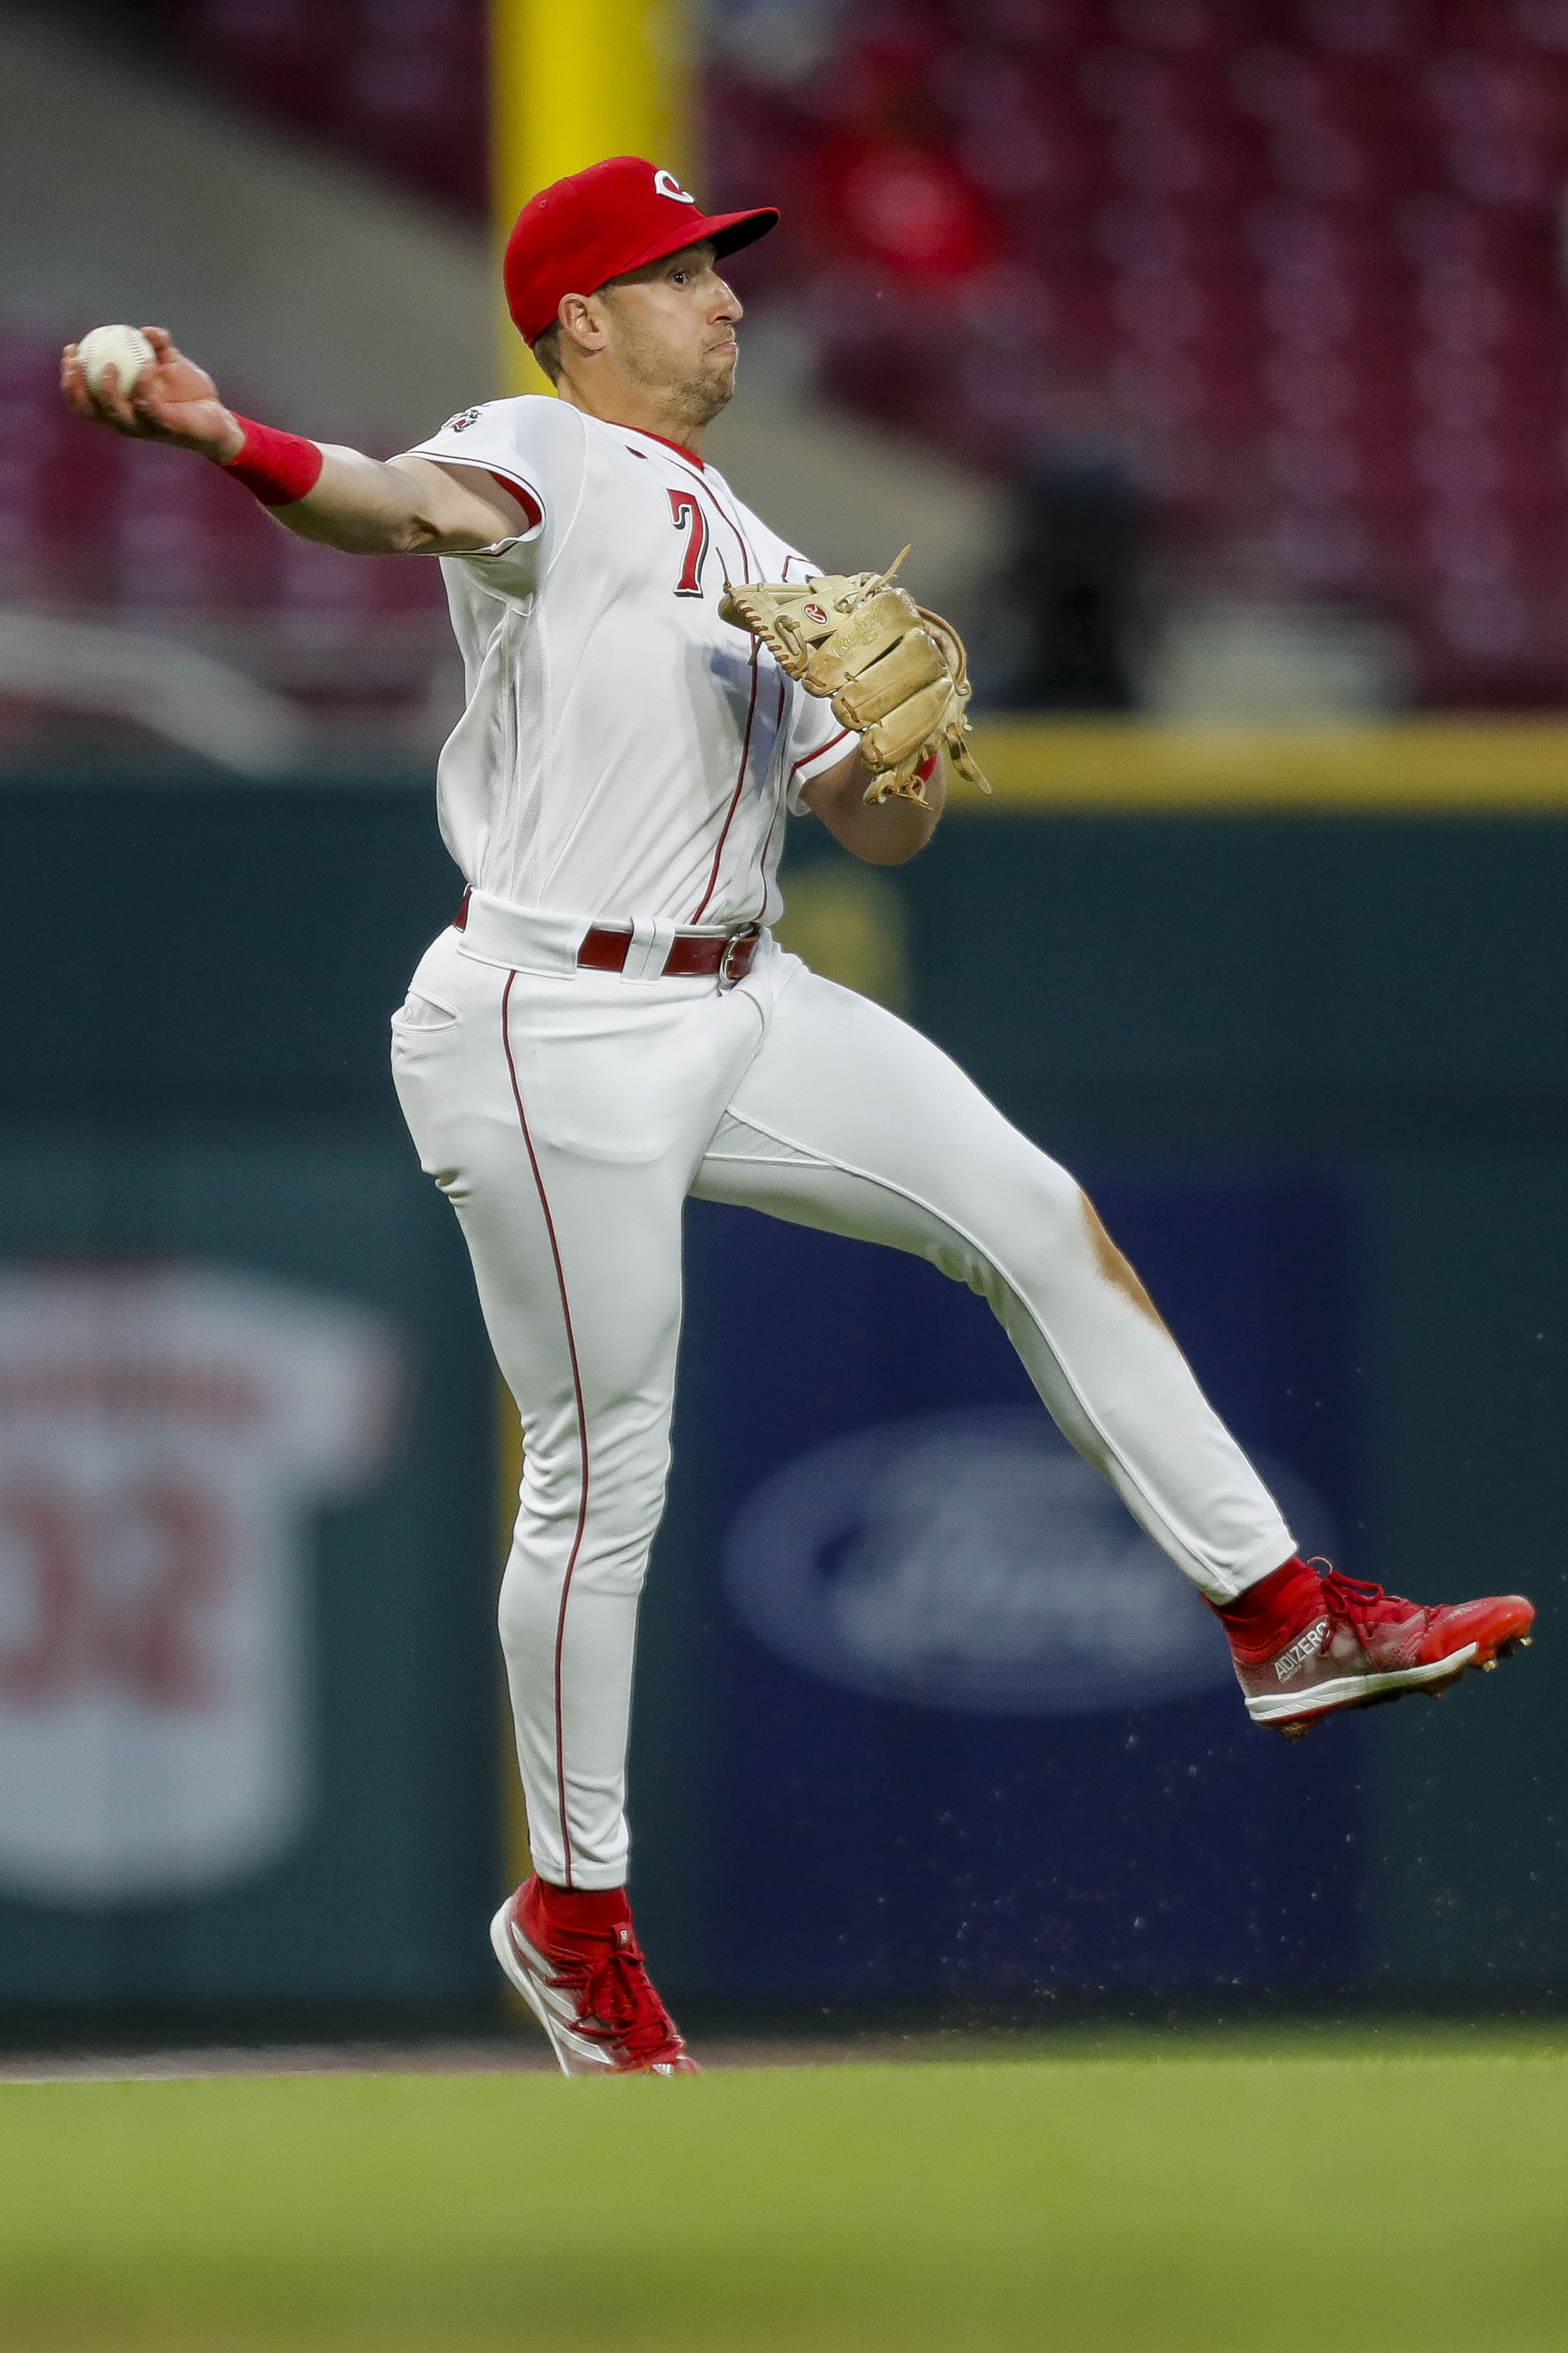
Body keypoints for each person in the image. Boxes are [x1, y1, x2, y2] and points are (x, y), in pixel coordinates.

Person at [63, 155, 1534, 2078]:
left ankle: (1280, 1618)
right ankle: (571, 1914)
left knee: (1030, 1212)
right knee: (610, 1463)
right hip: (548, 1015)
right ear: (586, 318)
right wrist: (219, 434)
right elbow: (394, 507)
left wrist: (903, 743)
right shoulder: (542, 452)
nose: (727, 299)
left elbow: (879, 822)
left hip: (740, 990)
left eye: (722, 270)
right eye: (681, 273)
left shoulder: (748, 528)